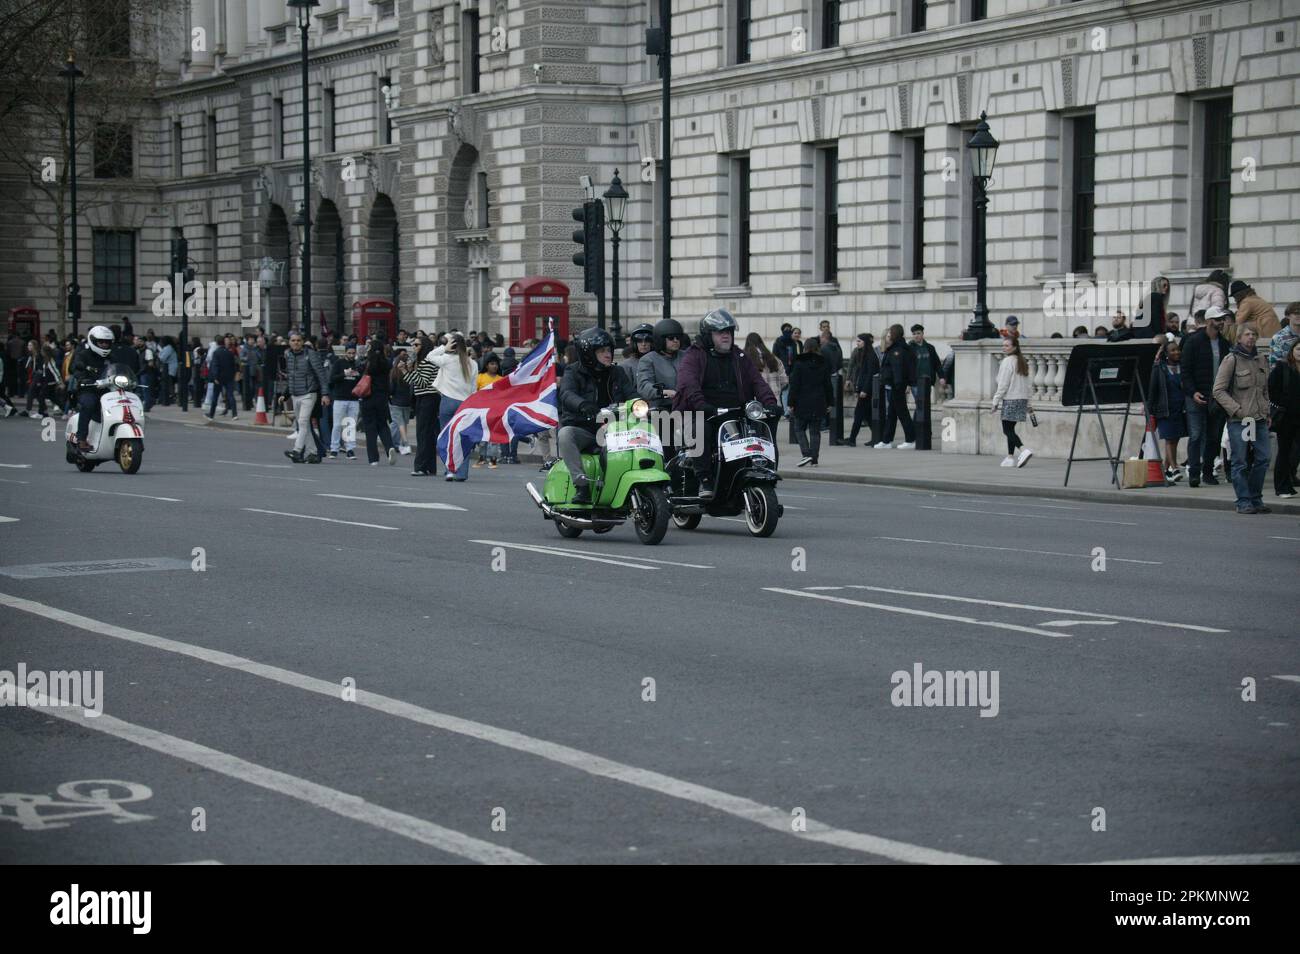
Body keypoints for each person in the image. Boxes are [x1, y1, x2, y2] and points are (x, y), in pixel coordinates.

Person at [672, 309, 779, 499]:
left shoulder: (738, 356)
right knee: (701, 428)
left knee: (763, 425)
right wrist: (701, 404)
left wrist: (770, 403)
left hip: (735, 411)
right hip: (703, 411)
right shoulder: (694, 356)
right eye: (720, 332)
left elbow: (757, 381)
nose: (726, 335)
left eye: (729, 331)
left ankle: (764, 467)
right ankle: (705, 480)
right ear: (708, 335)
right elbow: (688, 382)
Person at [557, 327, 636, 504]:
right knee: (565, 434)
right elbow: (566, 394)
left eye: (609, 350)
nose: (608, 354)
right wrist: (583, 404)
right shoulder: (573, 371)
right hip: (584, 428)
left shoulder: (617, 373)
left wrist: (640, 403)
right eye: (602, 351)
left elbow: (631, 394)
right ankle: (582, 486)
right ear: (588, 354)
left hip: (615, 428)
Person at [1213, 325, 1272, 514]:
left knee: (1263, 458)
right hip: (1240, 420)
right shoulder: (1231, 360)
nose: (1251, 338)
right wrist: (1236, 410)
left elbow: (1265, 389)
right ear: (1239, 338)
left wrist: (1267, 411)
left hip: (1259, 418)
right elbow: (1218, 391)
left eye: (1254, 334)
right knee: (1240, 461)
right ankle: (1243, 500)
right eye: (1247, 334)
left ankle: (1255, 497)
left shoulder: (1261, 359)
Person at [1181, 306, 1230, 487]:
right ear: (1209, 321)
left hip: (1217, 397)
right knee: (1195, 435)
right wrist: (1192, 392)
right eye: (1218, 320)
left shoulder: (1224, 344)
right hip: (1196, 395)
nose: (1221, 323)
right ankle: (1194, 473)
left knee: (1213, 436)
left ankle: (1208, 472)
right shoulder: (1193, 341)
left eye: (1222, 320)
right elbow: (1185, 371)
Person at [426, 332, 477, 481]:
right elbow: (474, 388)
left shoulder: (447, 359)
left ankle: (450, 470)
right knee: (463, 438)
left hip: (448, 401)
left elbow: (429, 356)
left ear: (452, 346)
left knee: (448, 438)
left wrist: (443, 347)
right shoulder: (472, 363)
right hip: (465, 403)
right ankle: (461, 473)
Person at [282, 332, 330, 464]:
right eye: (293, 340)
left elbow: (321, 375)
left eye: (298, 340)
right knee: (304, 426)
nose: (296, 342)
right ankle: (313, 453)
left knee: (302, 422)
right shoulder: (288, 355)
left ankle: (297, 451)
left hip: (309, 393)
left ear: (302, 342)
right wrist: (285, 394)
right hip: (295, 394)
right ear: (289, 342)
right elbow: (290, 376)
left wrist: (325, 394)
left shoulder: (310, 355)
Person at [788, 337, 832, 467]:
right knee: (815, 431)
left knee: (799, 428)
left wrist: (791, 403)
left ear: (805, 348)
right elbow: (828, 385)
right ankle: (814, 459)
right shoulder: (823, 363)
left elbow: (794, 385)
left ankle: (806, 454)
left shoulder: (799, 363)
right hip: (819, 400)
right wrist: (830, 403)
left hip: (802, 401)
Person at [991, 334, 1034, 468]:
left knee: (1007, 430)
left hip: (1010, 399)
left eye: (1007, 345)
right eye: (1003, 345)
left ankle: (1023, 450)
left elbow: (1003, 384)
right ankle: (1010, 457)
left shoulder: (1007, 362)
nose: (1004, 348)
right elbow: (1028, 385)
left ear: (1014, 347)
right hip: (1021, 399)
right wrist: (1029, 404)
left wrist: (995, 401)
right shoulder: (1022, 361)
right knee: (1011, 428)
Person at [1148, 339, 1187, 483]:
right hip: (1165, 409)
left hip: (1179, 408)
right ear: (1166, 353)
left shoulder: (1182, 367)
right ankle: (1175, 468)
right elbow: (1153, 389)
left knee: (1175, 439)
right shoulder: (1159, 368)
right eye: (1173, 350)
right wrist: (1150, 408)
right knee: (1169, 439)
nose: (1176, 352)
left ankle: (1166, 469)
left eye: (1177, 349)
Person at [70, 326, 115, 451]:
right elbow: (74, 368)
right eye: (101, 342)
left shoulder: (111, 357)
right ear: (93, 341)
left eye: (107, 342)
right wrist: (83, 378)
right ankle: (82, 439)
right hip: (89, 389)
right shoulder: (83, 355)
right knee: (89, 404)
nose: (105, 345)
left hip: (108, 390)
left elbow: (118, 369)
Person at [1267, 338, 1300, 498]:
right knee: (1285, 451)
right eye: (1298, 349)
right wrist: (1282, 403)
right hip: (1286, 417)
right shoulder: (1283, 367)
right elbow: (1271, 388)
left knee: (1296, 452)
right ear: (1292, 351)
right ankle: (1281, 487)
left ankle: (1290, 480)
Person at [874, 324, 917, 449]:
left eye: (889, 334)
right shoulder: (896, 348)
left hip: (897, 386)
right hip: (894, 385)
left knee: (902, 413)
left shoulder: (897, 350)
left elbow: (897, 370)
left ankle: (911, 439)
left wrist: (898, 386)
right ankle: (887, 440)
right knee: (891, 414)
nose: (887, 337)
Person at [360, 342, 398, 466]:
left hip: (368, 397)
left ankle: (373, 458)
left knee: (370, 429)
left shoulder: (368, 363)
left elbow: (360, 372)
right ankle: (389, 447)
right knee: (383, 425)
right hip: (382, 398)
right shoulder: (386, 363)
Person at [407, 336, 440, 476]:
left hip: (428, 397)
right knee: (427, 433)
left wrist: (406, 371)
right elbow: (412, 382)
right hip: (422, 397)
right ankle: (429, 467)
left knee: (423, 433)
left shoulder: (428, 361)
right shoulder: (420, 362)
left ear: (424, 346)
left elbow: (422, 382)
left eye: (417, 345)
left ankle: (420, 466)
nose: (414, 347)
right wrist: (408, 371)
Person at [846, 332, 880, 447]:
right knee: (867, 415)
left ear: (865, 342)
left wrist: (864, 390)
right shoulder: (863, 354)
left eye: (859, 341)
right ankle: (877, 437)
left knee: (859, 414)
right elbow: (861, 373)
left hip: (867, 390)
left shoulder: (870, 355)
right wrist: (857, 389)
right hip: (863, 389)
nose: (857, 343)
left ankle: (852, 439)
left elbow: (870, 374)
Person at [328, 343, 362, 459]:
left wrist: (357, 375)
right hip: (340, 398)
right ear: (345, 353)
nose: (351, 355)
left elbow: (362, 380)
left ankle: (350, 449)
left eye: (353, 353)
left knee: (350, 425)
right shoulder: (339, 363)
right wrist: (344, 374)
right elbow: (332, 378)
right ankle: (334, 449)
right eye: (349, 353)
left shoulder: (358, 364)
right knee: (337, 424)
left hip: (353, 399)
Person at [473, 353, 504, 468]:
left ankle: (493, 459)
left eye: (496, 364)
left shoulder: (501, 379)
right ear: (486, 365)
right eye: (492, 364)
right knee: (482, 436)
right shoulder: (480, 377)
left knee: (494, 436)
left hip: (496, 411)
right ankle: (481, 457)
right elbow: (474, 393)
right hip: (482, 411)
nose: (494, 366)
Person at [908, 324, 945, 409]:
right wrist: (907, 384)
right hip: (915, 382)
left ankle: (923, 422)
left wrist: (942, 377)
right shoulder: (909, 348)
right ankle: (918, 422)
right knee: (920, 406)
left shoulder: (930, 348)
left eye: (918, 333)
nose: (916, 336)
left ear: (922, 334)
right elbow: (906, 367)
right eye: (914, 334)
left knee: (925, 406)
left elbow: (937, 363)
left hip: (927, 381)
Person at [206, 337, 238, 419]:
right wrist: (233, 375)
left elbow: (215, 365)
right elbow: (233, 365)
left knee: (215, 396)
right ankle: (234, 414)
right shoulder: (230, 352)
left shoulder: (216, 352)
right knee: (231, 395)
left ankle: (211, 414)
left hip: (219, 377)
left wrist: (215, 377)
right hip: (229, 377)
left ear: (217, 343)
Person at [618, 323, 655, 394]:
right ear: (634, 344)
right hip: (638, 403)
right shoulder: (626, 366)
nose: (643, 344)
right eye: (639, 341)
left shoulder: (660, 361)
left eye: (647, 340)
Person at [1269, 302, 1299, 368]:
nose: (1299, 315)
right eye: (1295, 313)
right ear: (1288, 316)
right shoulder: (1279, 337)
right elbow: (1274, 363)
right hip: (1288, 375)